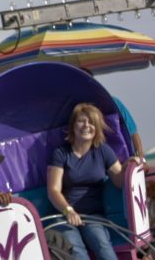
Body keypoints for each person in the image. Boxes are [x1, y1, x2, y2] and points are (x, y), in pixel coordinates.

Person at [47, 102, 136, 260]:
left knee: (101, 243)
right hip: (65, 215)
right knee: (75, 249)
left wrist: (129, 166)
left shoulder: (103, 151)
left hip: (94, 216)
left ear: (97, 128)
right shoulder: (61, 153)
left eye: (91, 122)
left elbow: (119, 181)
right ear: (73, 126)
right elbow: (54, 190)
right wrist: (69, 211)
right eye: (81, 121)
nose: (86, 125)